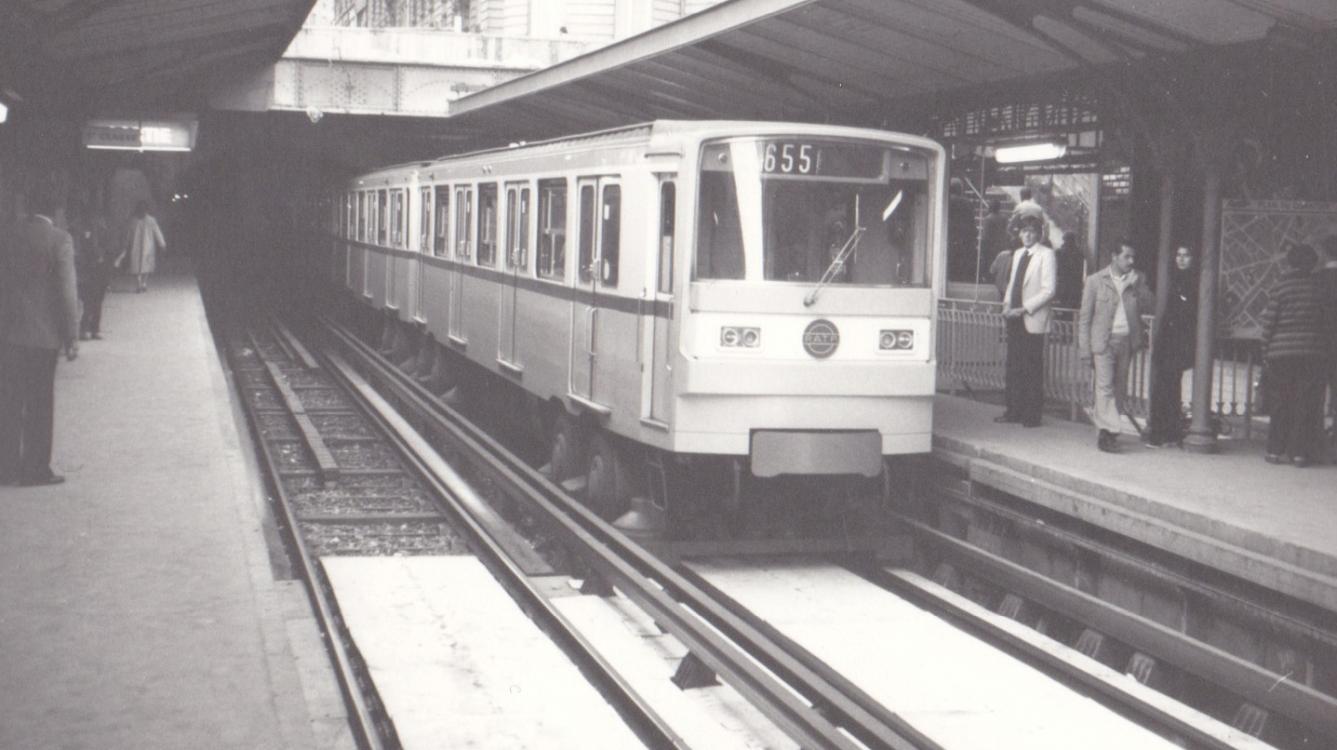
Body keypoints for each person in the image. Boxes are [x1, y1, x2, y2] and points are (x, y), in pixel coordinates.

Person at [0, 186, 80, 486]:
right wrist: (72, 336)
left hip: (7, 333)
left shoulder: (7, 235)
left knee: (8, 401)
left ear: (28, 207)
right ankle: (34, 470)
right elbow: (67, 293)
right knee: (40, 403)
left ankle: (5, 467)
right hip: (43, 337)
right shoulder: (60, 239)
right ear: (56, 211)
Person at [1078, 241, 1155, 453]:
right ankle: (1107, 433)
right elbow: (1085, 319)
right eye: (1127, 257)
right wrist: (1085, 349)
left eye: (1133, 257)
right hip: (1103, 342)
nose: (1131, 261)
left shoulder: (1137, 281)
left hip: (1127, 341)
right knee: (1104, 387)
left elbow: (1150, 305)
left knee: (1119, 387)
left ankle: (1109, 431)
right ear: (1114, 256)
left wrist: (1138, 287)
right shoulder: (1095, 281)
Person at [1259, 243, 1329, 467]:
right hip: (1311, 353)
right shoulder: (1319, 289)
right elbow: (1325, 322)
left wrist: (1265, 351)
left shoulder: (1280, 288)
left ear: (1290, 263)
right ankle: (1299, 453)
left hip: (1281, 354)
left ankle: (1274, 451)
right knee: (1304, 403)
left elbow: (1269, 323)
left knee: (1281, 402)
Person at [995, 214, 1056, 428]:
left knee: (1031, 368)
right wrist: (1006, 305)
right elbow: (1012, 284)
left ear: (1038, 234)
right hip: (1014, 317)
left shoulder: (1046, 255)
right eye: (1024, 231)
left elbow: (1049, 289)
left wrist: (1023, 309)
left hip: (1031, 317)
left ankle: (1031, 415)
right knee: (1013, 366)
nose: (1027, 235)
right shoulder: (1019, 253)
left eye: (1031, 231)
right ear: (1019, 234)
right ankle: (1013, 411)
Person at [1145, 246, 1198, 447]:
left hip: (1179, 341)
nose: (1182, 259)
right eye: (1179, 255)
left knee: (1168, 385)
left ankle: (1164, 432)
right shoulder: (1172, 280)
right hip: (1167, 340)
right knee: (1166, 386)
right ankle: (1166, 431)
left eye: (1186, 255)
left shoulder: (1192, 283)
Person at [70, 199, 115, 339]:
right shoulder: (80, 228)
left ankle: (91, 328)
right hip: (91, 268)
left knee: (95, 299)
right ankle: (89, 328)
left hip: (95, 268)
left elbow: (108, 247)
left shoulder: (98, 227)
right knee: (93, 299)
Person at [119, 200, 166, 293]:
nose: (142, 211)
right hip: (138, 246)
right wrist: (125, 245)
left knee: (145, 266)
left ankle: (143, 283)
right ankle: (140, 284)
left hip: (146, 247)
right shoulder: (134, 221)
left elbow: (157, 232)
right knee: (137, 266)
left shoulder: (150, 220)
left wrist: (162, 243)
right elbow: (128, 234)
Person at [1054, 231, 1085, 308]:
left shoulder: (1059, 253)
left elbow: (1056, 269)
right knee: (1073, 308)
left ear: (1064, 240)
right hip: (1075, 287)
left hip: (1062, 285)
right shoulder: (1079, 253)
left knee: (1062, 308)